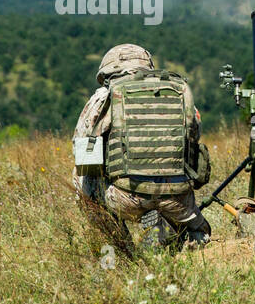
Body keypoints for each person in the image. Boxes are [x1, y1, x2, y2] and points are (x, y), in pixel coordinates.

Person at [73, 44, 212, 252]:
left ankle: (120, 245)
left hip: (126, 196)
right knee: (198, 235)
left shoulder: (105, 96)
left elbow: (81, 149)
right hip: (178, 198)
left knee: (80, 176)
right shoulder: (178, 92)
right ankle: (181, 235)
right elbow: (194, 138)